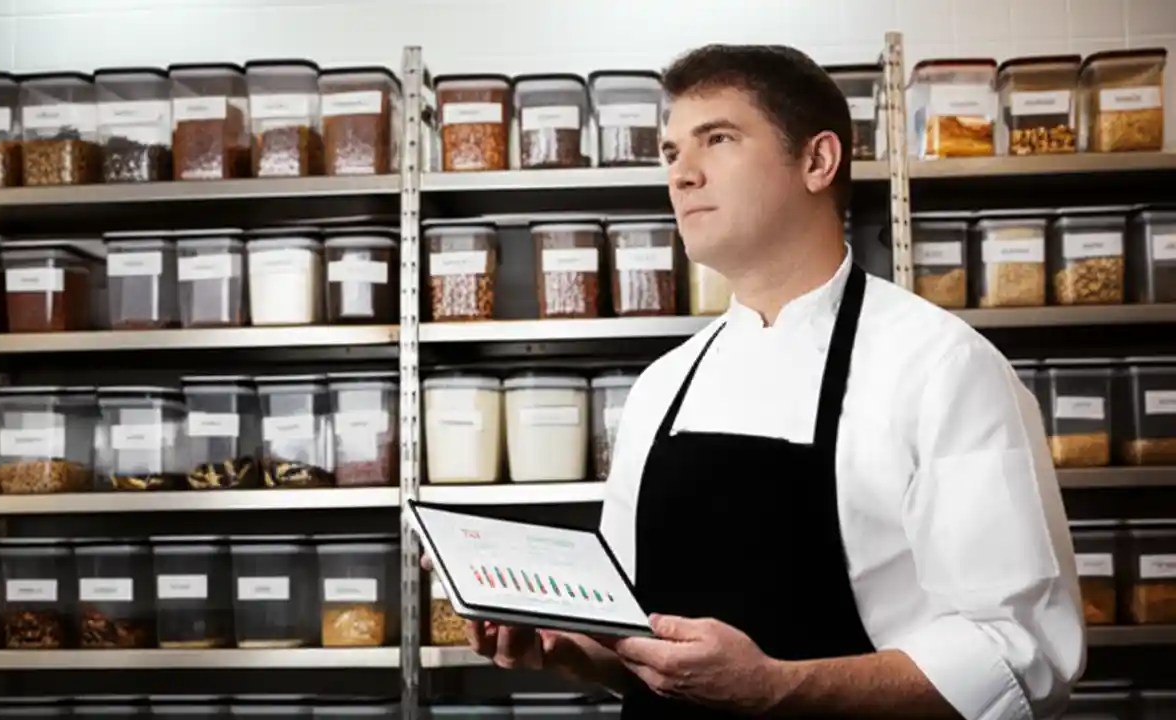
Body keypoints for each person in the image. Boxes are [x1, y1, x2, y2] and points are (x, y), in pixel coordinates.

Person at [442, 44, 1086, 718]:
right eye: (669, 153)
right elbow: (635, 636)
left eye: (716, 140)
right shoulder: (663, 387)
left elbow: (1020, 651)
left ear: (817, 161)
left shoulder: (942, 367)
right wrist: (567, 651)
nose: (682, 175)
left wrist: (776, 687)